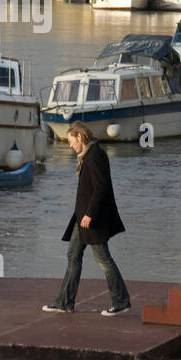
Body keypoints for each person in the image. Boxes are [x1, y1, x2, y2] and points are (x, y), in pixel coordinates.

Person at [44, 122, 131, 316]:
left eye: (72, 141)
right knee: (73, 256)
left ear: (81, 137)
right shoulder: (87, 156)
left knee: (103, 260)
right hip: (81, 218)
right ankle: (64, 302)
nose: (70, 145)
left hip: (92, 219)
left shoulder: (95, 156)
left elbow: (101, 188)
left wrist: (90, 214)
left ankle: (121, 302)